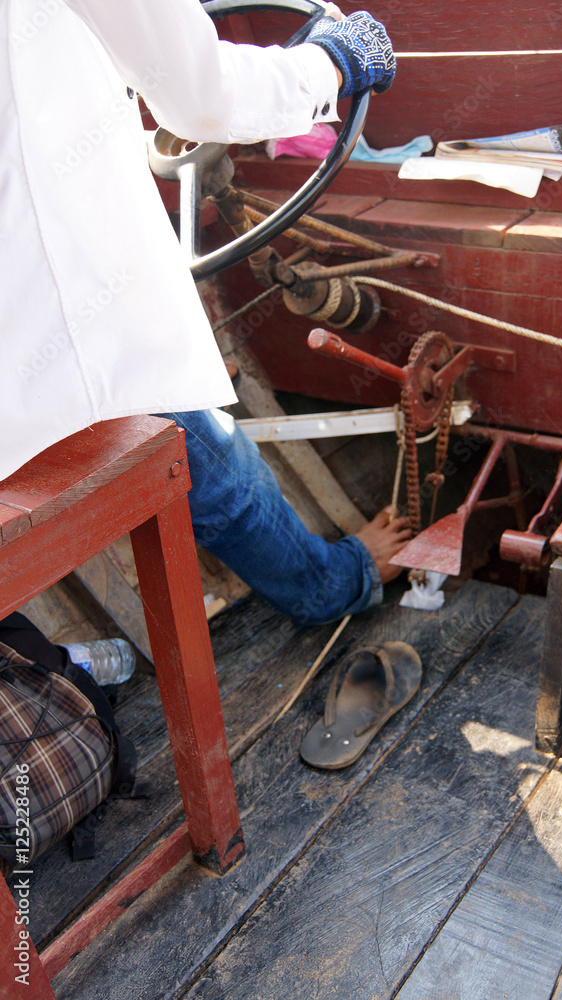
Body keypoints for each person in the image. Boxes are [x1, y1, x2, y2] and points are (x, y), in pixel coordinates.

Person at [2, 0, 410, 625]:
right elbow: (202, 96)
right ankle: (331, 588)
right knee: (215, 467)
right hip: (52, 332)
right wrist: (333, 64)